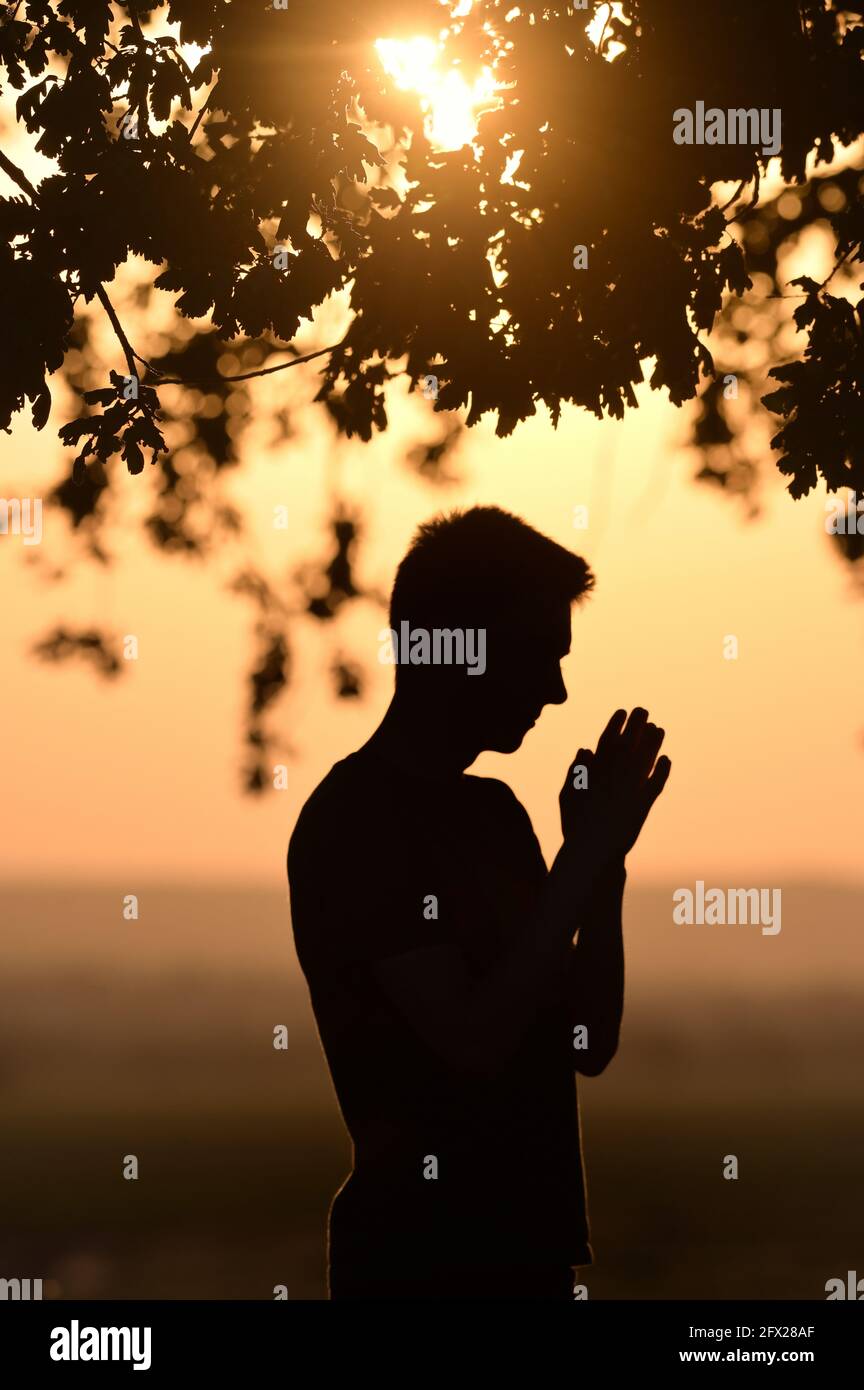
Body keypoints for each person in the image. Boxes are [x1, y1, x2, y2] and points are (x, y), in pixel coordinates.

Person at [287, 505, 670, 1299]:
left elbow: (587, 1040)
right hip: (419, 1264)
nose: (558, 691)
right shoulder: (354, 821)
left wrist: (603, 875)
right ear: (466, 651)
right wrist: (582, 859)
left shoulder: (497, 816)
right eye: (540, 657)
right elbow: (472, 1040)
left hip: (533, 1259)